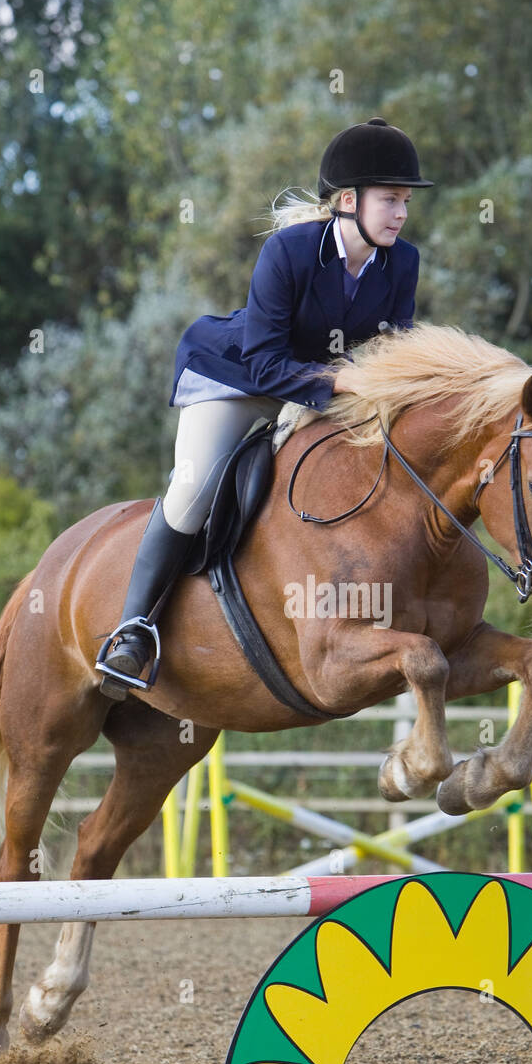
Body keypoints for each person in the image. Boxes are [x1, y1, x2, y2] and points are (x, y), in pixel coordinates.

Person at [95, 116, 435, 700]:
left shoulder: (402, 261)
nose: (400, 214)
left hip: (325, 385)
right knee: (195, 486)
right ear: (348, 202)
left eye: (405, 201)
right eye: (390, 200)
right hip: (238, 376)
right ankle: (134, 628)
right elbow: (264, 361)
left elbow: (391, 350)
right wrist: (343, 385)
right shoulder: (289, 251)